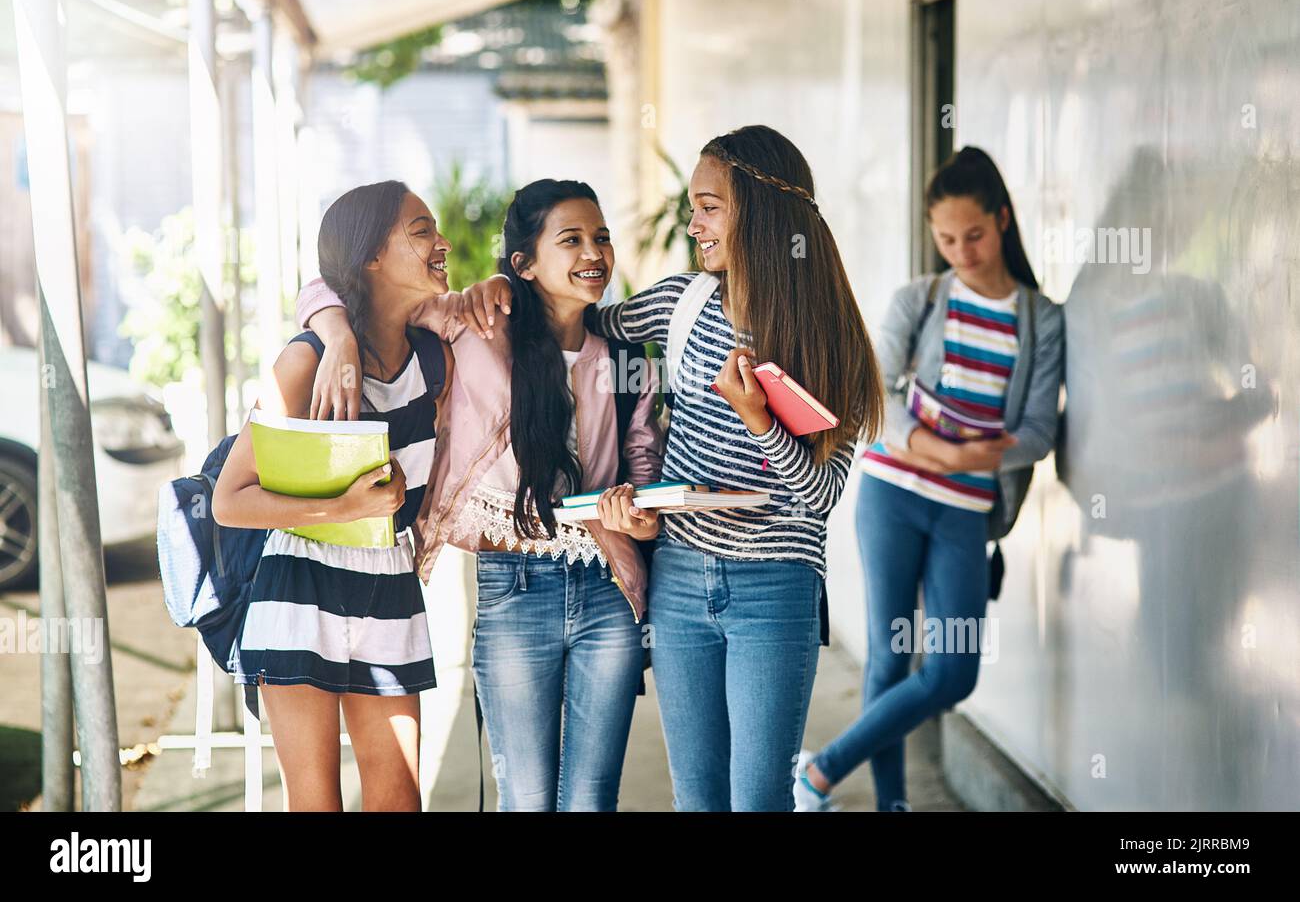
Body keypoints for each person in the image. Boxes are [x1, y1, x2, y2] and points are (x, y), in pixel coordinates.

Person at [458, 126, 885, 811]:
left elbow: (819, 497)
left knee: (758, 798)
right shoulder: (681, 301)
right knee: (698, 799)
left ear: (758, 209)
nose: (694, 224)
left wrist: (759, 419)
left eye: (709, 206)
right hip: (681, 583)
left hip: (776, 588)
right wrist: (502, 287)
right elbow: (578, 316)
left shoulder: (831, 340)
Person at [297, 179, 664, 811]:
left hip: (607, 588)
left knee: (591, 799)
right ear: (522, 263)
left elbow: (644, 469)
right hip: (515, 587)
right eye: (571, 239)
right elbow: (339, 284)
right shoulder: (475, 323)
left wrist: (640, 514)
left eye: (601, 237)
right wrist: (336, 338)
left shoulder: (627, 355)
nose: (594, 253)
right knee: (525, 799)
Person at [794, 146, 1064, 811]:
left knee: (950, 669)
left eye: (973, 234)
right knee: (888, 662)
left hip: (965, 510)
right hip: (893, 495)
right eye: (946, 238)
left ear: (1002, 219)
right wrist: (933, 449)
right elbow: (871, 395)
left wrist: (970, 460)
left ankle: (820, 769)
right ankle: (893, 806)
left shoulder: (1041, 319)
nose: (961, 251)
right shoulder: (920, 298)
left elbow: (1037, 431)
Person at [212, 180, 453, 811]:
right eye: (421, 231)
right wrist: (342, 510)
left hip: (390, 584)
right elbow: (230, 500)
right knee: (315, 803)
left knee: (399, 796)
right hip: (299, 588)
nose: (442, 243)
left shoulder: (436, 360)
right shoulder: (303, 360)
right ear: (372, 255)